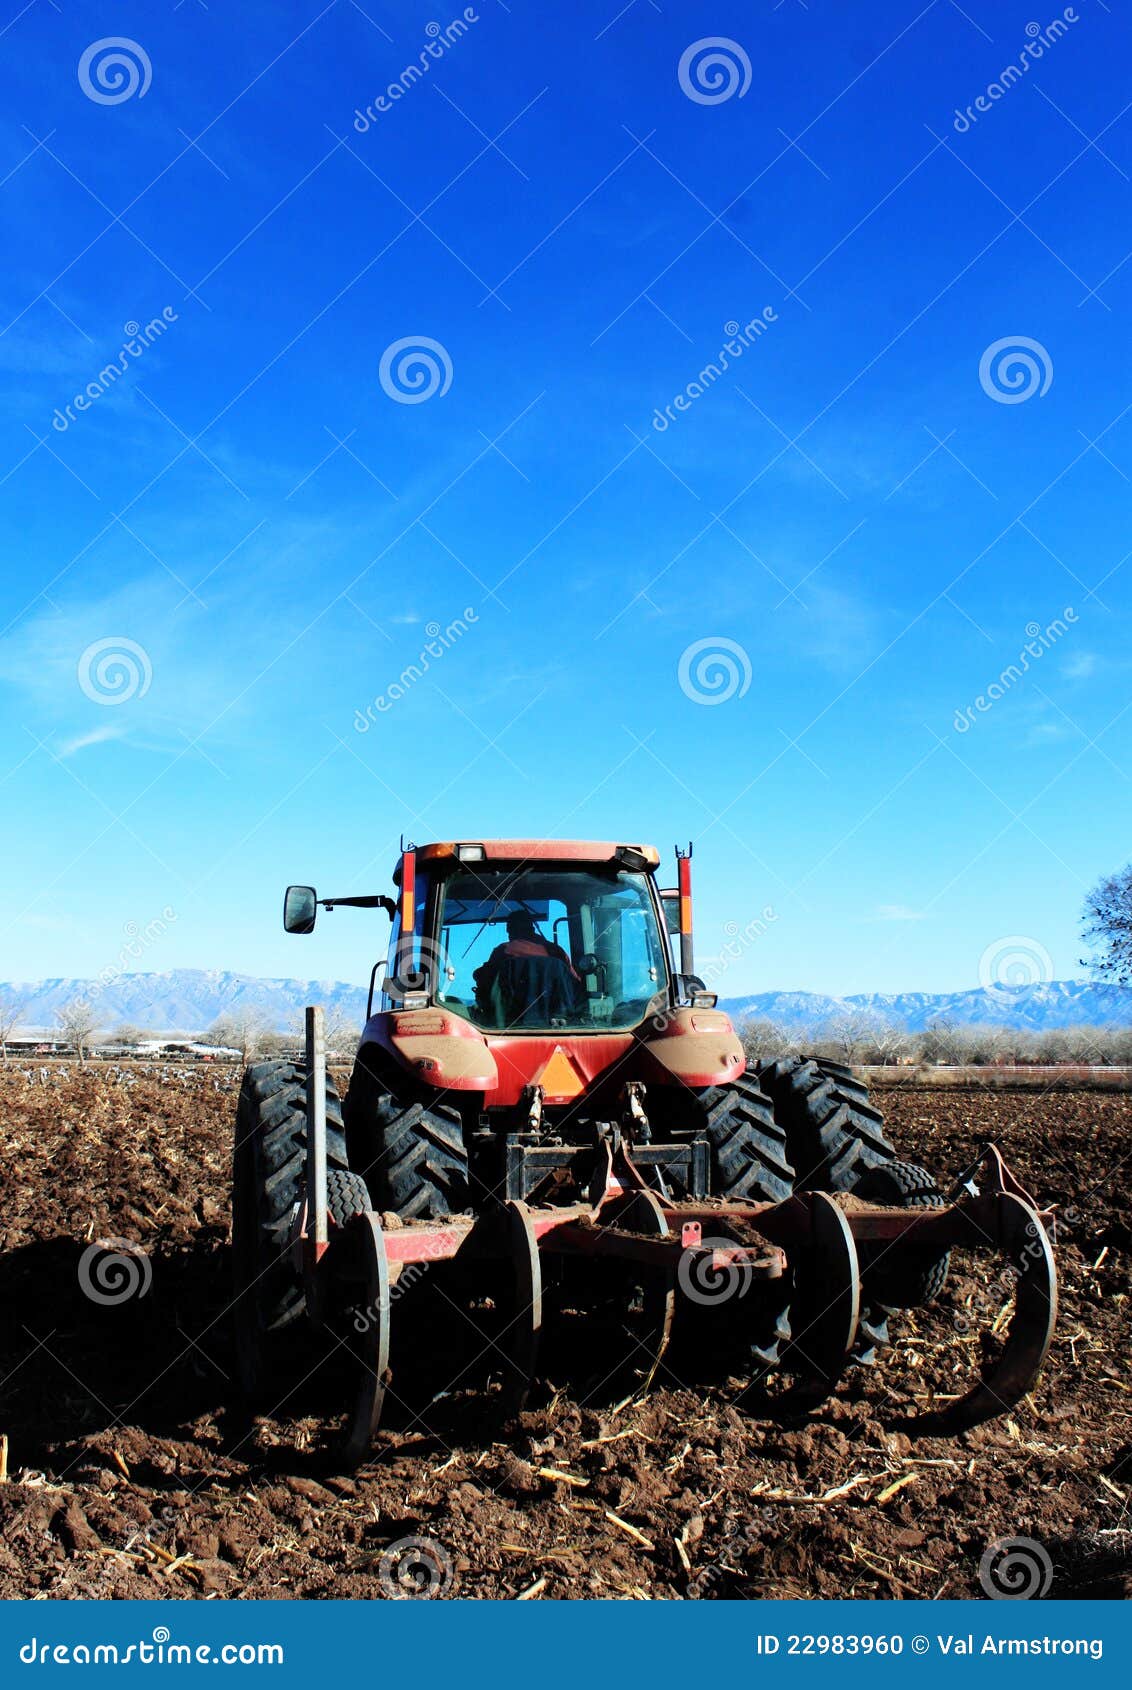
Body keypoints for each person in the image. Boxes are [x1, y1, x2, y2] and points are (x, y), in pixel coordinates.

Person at [473, 910, 581, 1025]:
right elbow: (575, 984)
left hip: (511, 1022)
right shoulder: (557, 952)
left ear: (510, 929)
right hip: (558, 1021)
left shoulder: (504, 951)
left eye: (508, 928)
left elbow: (485, 982)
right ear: (531, 927)